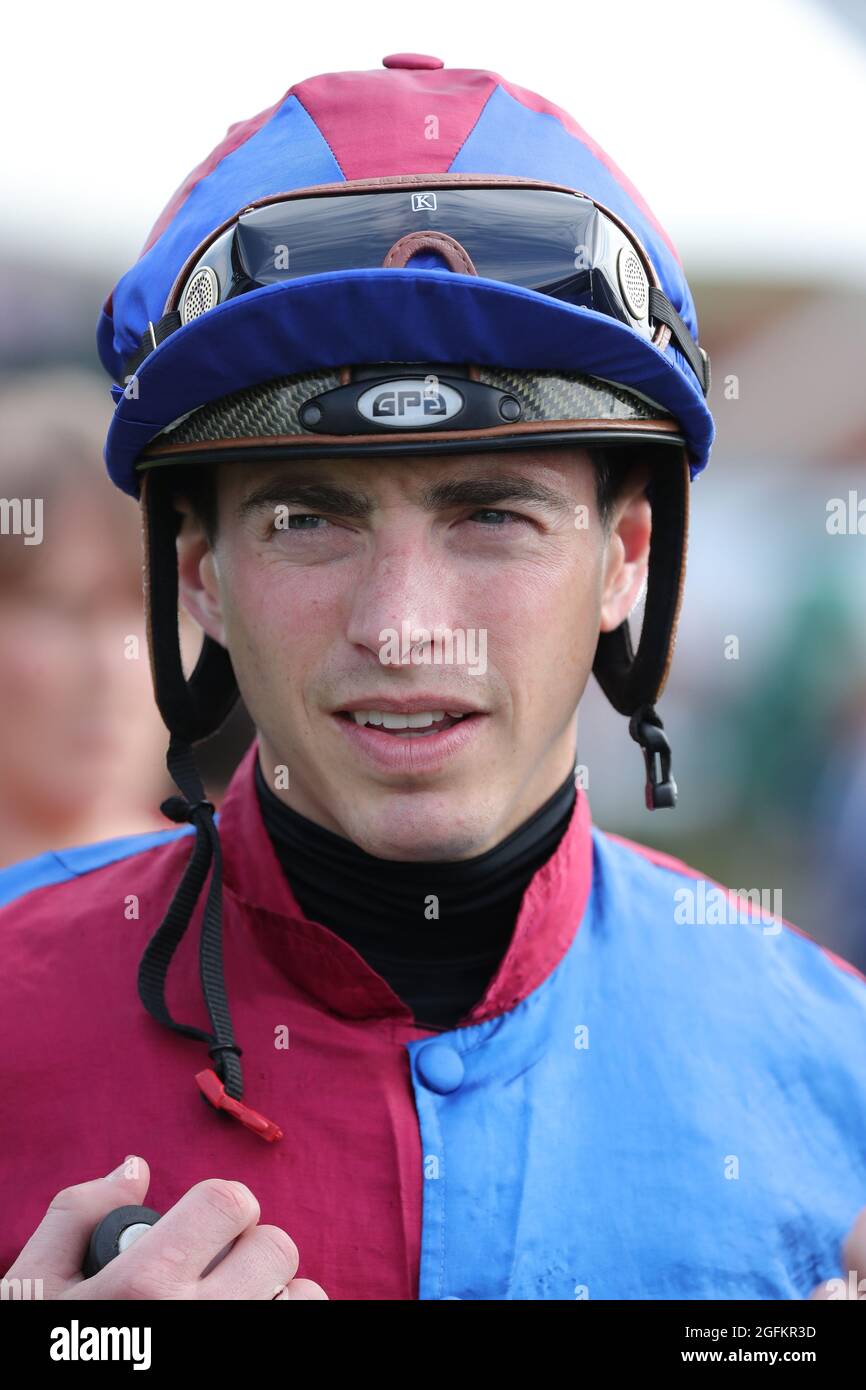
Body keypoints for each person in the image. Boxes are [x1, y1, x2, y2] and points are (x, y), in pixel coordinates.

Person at [2, 54, 865, 1302]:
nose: (403, 630)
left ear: (624, 560)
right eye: (308, 518)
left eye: (492, 516)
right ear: (199, 575)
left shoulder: (836, 1072)